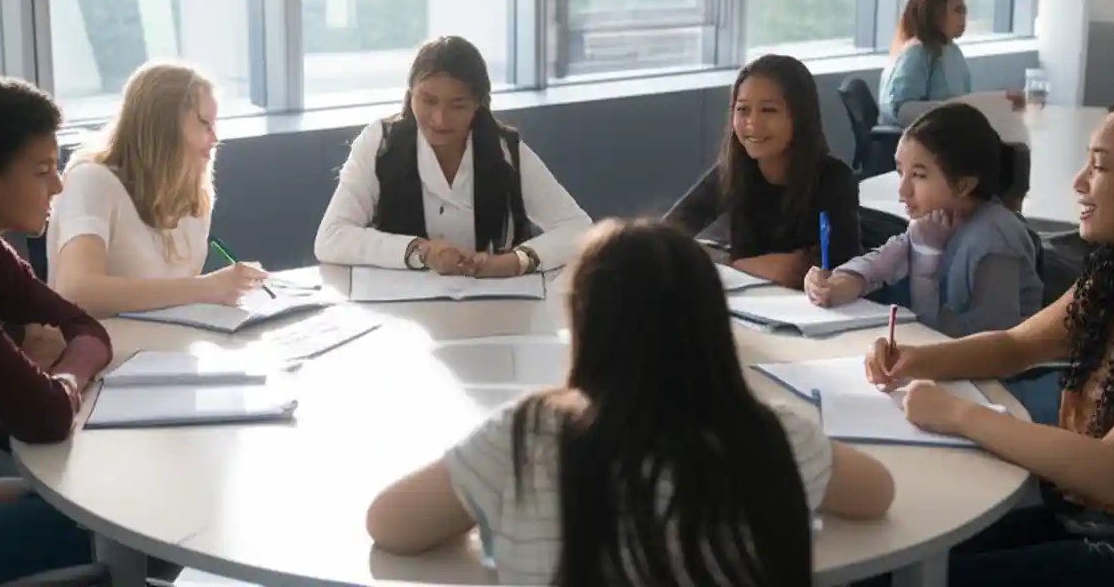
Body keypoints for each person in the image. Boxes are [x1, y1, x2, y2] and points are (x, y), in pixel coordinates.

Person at [367, 220, 895, 585]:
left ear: (585, 328)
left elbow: (388, 524)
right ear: (711, 326)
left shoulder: (525, 436)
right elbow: (877, 493)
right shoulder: (769, 436)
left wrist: (501, 520)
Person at [866, 96, 1114, 585]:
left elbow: (1111, 470)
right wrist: (915, 359)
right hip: (1080, 516)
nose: (1079, 182)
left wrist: (957, 413)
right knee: (895, 554)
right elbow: (1015, 345)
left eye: (1100, 167)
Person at [0, 74, 113, 585]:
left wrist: (63, 373)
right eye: (43, 170)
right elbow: (46, 416)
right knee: (110, 534)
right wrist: (67, 381)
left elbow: (85, 326)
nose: (58, 185)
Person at [808, 104, 1049, 421]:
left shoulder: (994, 239)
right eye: (900, 171)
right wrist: (843, 282)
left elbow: (986, 344)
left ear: (963, 185)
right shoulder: (937, 220)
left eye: (919, 175)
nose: (903, 189)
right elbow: (884, 260)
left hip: (1002, 390)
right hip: (949, 371)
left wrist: (927, 258)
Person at [315, 36, 591, 276]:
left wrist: (515, 262)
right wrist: (420, 251)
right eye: (428, 100)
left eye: (457, 105)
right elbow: (331, 238)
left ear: (478, 105)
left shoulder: (505, 149)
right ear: (410, 93)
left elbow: (577, 228)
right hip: (398, 311)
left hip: (493, 308)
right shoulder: (379, 143)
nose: (439, 119)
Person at [47, 62, 267, 317]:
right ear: (165, 127)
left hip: (164, 347)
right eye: (205, 124)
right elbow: (76, 292)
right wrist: (206, 288)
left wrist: (218, 289)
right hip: (100, 349)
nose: (215, 138)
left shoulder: (194, 191)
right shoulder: (92, 180)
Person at [665, 54, 859, 288]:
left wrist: (726, 262)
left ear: (800, 117)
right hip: (752, 308)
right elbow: (669, 231)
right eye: (743, 109)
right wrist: (738, 264)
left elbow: (817, 269)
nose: (753, 123)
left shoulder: (834, 179)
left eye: (768, 110)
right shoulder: (734, 169)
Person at [878, 0, 1024, 127]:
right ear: (936, 13)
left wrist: (999, 101)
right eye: (958, 10)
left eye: (964, 10)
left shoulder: (951, 51)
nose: (964, 17)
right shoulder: (916, 53)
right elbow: (902, 112)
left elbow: (964, 104)